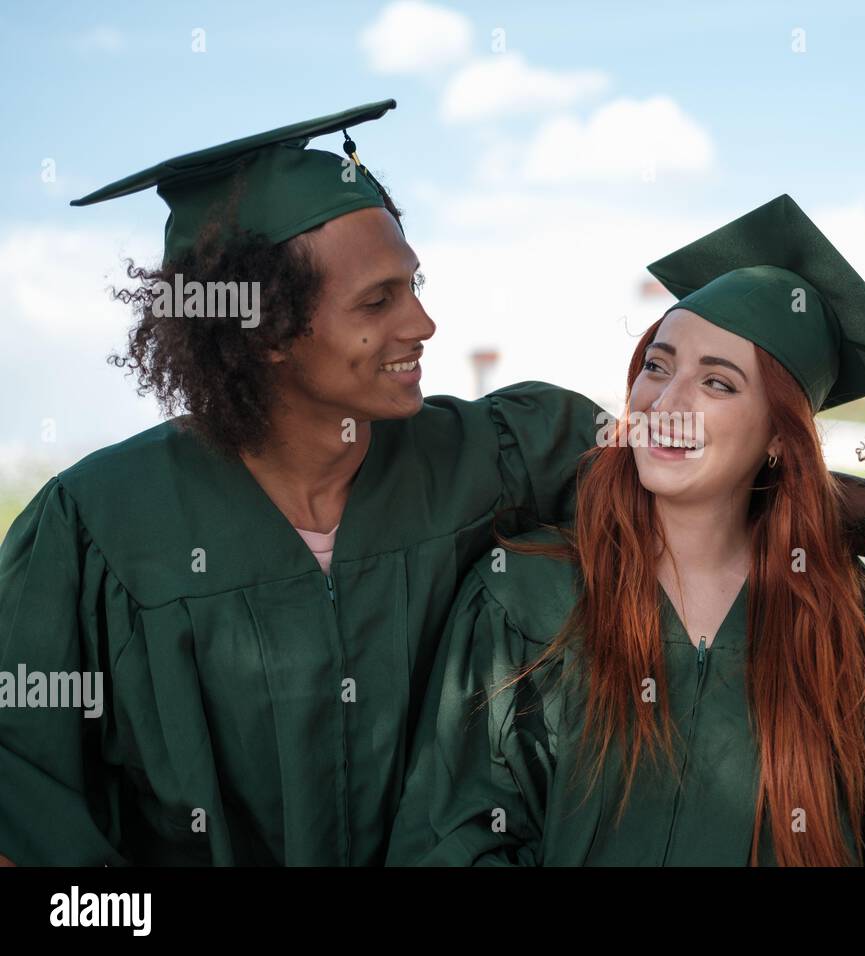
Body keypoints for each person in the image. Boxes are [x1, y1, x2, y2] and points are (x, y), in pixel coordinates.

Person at [0, 101, 603, 865]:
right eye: (377, 300)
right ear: (268, 330)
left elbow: (693, 491)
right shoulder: (99, 528)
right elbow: (22, 803)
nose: (423, 324)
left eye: (413, 285)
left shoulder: (494, 457)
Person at [385, 194, 865, 866]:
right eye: (658, 365)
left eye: (718, 384)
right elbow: (457, 838)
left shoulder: (847, 620)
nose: (666, 403)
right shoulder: (525, 596)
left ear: (776, 439)